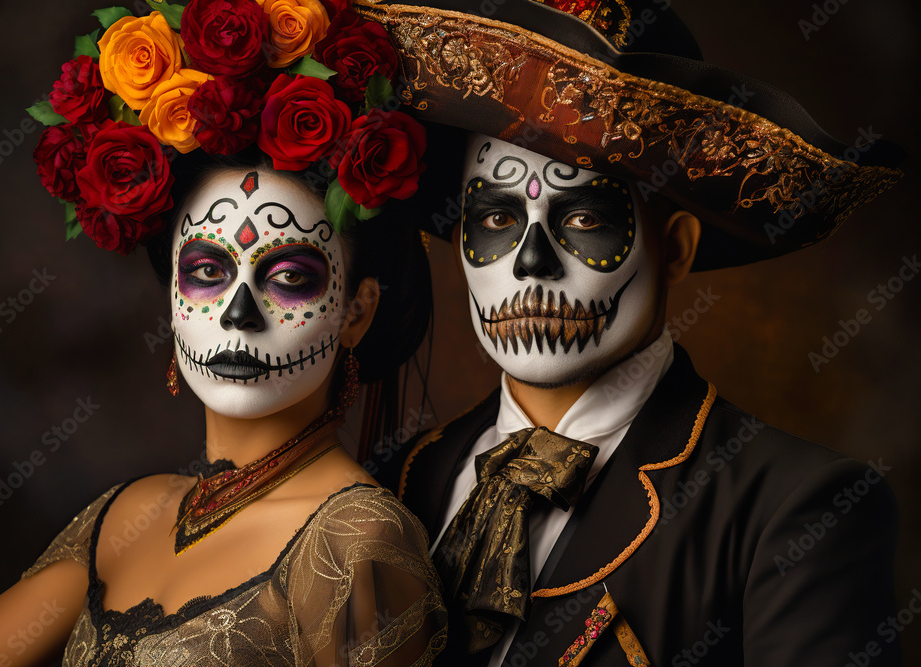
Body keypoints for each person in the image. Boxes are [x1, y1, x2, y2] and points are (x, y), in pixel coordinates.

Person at [360, 0, 904, 665]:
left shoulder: (794, 510)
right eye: (498, 219)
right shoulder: (392, 487)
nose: (530, 264)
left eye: (586, 220)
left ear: (674, 248)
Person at [0, 1, 446, 665]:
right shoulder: (128, 514)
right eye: (207, 269)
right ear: (171, 293)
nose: (238, 312)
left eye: (289, 278)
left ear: (357, 311)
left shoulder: (356, 539)